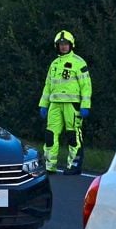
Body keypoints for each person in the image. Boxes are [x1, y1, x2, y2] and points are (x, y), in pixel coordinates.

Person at [38, 30, 92, 175]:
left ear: (71, 45)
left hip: (72, 105)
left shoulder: (78, 62)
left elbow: (86, 86)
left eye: (66, 44)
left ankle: (74, 166)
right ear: (57, 46)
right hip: (55, 104)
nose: (63, 46)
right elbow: (48, 86)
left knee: (73, 136)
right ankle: (50, 165)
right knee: (50, 135)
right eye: (61, 44)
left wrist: (85, 106)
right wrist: (43, 104)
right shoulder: (54, 64)